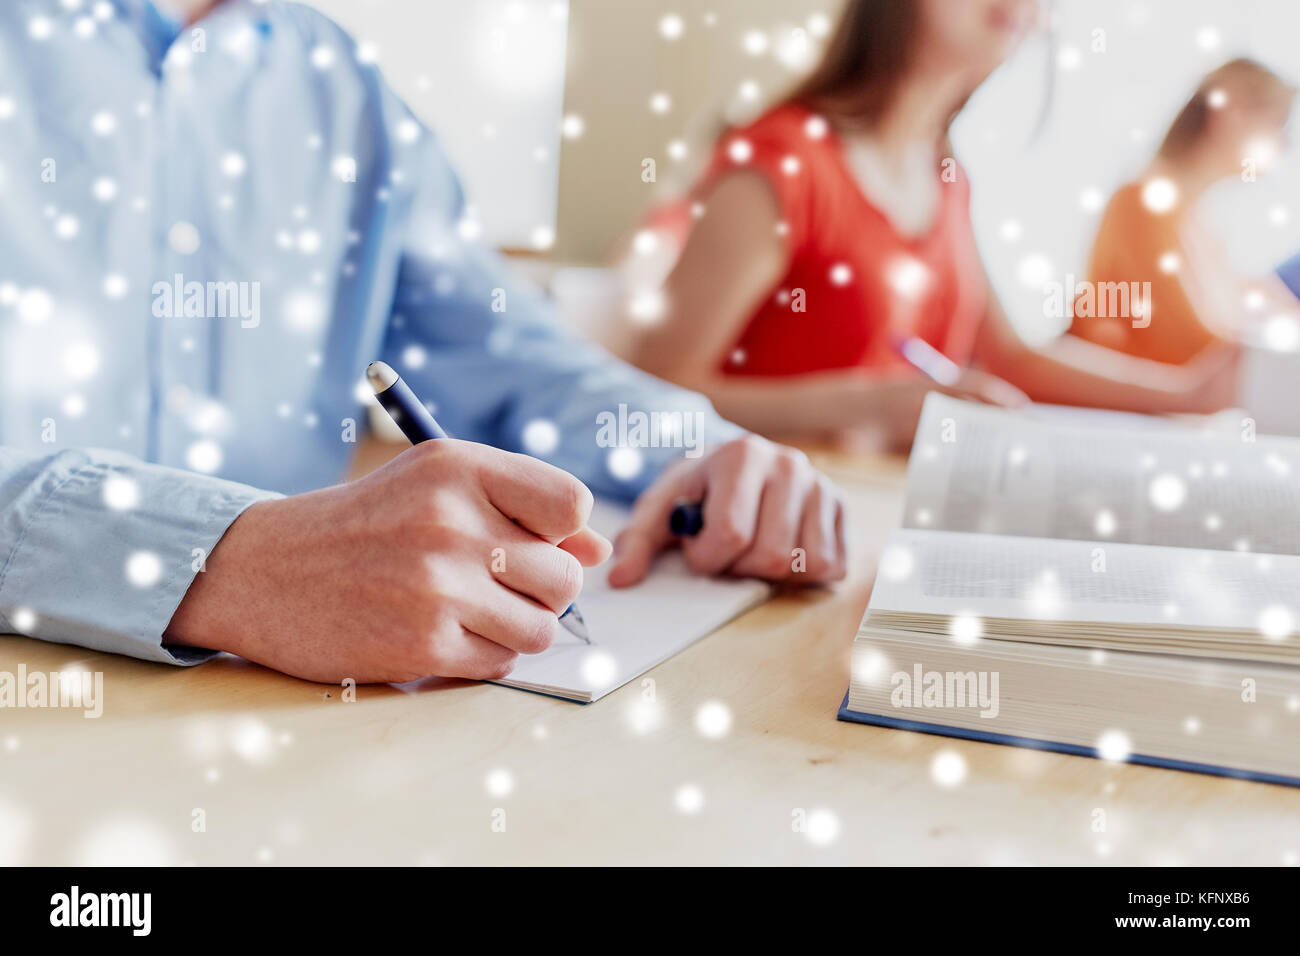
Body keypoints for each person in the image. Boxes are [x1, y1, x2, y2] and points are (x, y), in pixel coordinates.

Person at [0, 0, 847, 686]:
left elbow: (505, 353)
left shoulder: (339, 85)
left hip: (270, 721)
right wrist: (226, 559)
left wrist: (702, 452)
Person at [621, 0, 1239, 451]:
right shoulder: (782, 161)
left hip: (881, 517)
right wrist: (873, 406)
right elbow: (648, 393)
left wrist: (1184, 397)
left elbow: (1012, 358)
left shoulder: (946, 172)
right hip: (762, 536)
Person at [1071, 58, 1297, 363]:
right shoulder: (1142, 202)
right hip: (1107, 407)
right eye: (1278, 122)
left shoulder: (1199, 224)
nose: (1284, 143)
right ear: (1230, 113)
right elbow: (1189, 348)